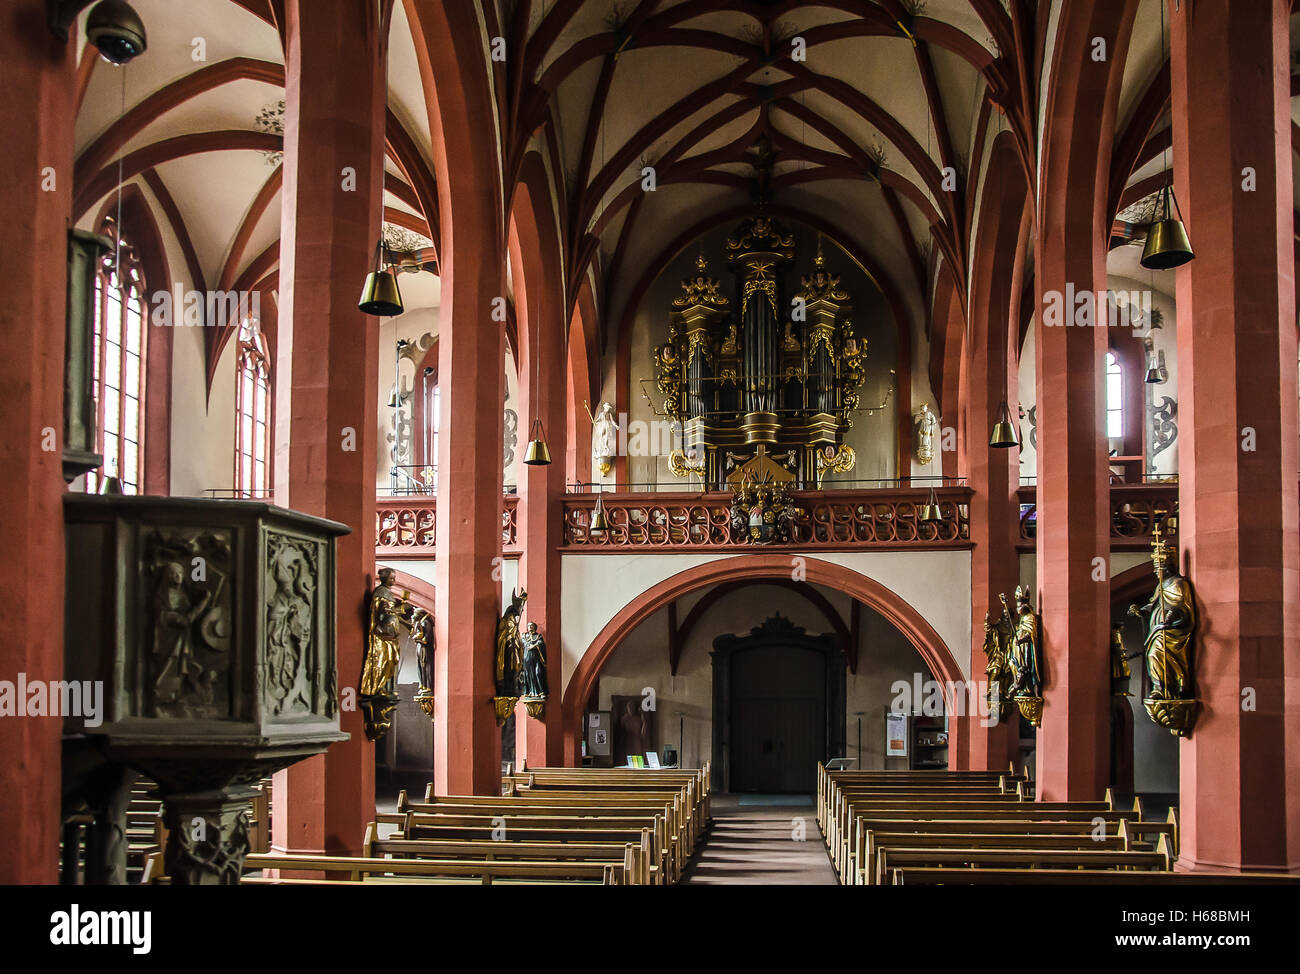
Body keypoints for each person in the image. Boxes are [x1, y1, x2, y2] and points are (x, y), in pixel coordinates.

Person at [520, 621, 547, 698]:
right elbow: (522, 643)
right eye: (529, 626)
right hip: (526, 658)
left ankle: (541, 691)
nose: (530, 627)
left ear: (535, 627)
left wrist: (535, 645)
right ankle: (529, 691)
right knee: (528, 674)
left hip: (536, 659)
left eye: (532, 626)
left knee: (538, 673)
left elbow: (540, 643)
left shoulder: (538, 636)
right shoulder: (524, 636)